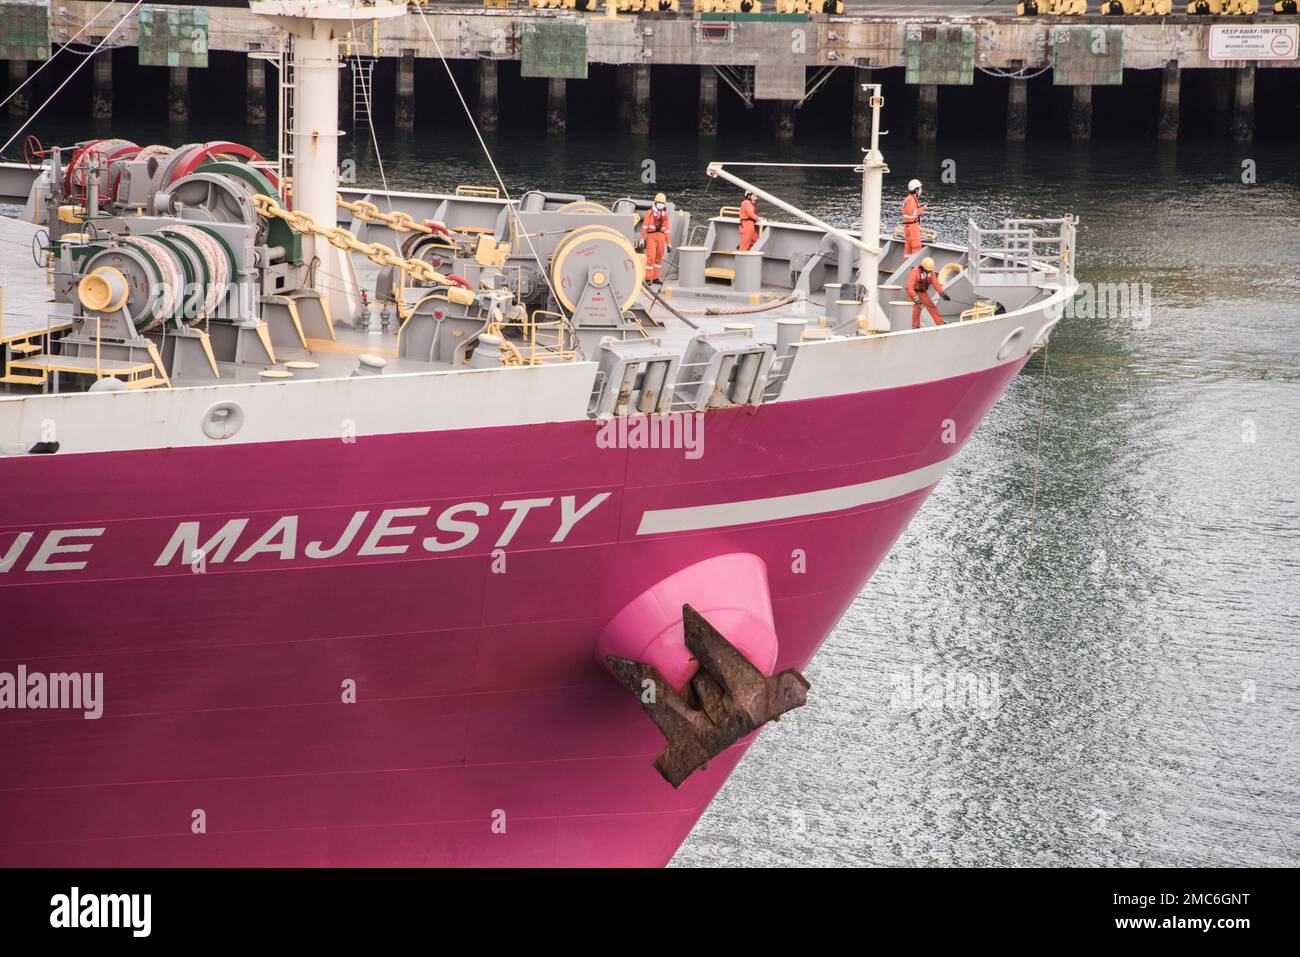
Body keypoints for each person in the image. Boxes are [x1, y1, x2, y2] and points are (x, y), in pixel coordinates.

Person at [906, 256, 949, 330]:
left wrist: (942, 294)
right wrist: (916, 299)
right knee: (917, 308)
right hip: (913, 292)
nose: (929, 271)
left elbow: (936, 284)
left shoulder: (930, 273)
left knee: (931, 306)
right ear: (923, 267)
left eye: (930, 270)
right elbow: (909, 287)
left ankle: (940, 323)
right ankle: (915, 326)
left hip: (923, 292)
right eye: (928, 270)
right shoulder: (914, 272)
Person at [641, 193, 671, 283]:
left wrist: (669, 243)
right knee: (650, 258)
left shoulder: (665, 215)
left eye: (662, 202)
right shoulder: (649, 213)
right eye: (659, 202)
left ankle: (655, 278)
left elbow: (667, 230)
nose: (660, 204)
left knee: (658, 258)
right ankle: (648, 278)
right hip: (651, 236)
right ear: (655, 202)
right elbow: (645, 227)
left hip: (661, 237)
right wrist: (642, 239)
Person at [901, 179, 927, 256]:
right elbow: (913, 213)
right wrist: (923, 209)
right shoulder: (910, 200)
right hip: (912, 228)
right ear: (916, 190)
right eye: (919, 188)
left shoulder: (909, 199)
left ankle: (907, 265)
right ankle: (913, 267)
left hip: (910, 226)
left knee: (908, 250)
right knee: (916, 247)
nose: (921, 190)